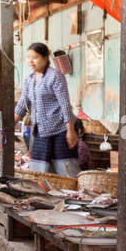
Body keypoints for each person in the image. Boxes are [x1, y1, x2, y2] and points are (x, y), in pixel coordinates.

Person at [14, 42, 78, 176]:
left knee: (65, 171)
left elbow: (65, 105)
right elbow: (22, 105)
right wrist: (8, 125)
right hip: (40, 132)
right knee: (39, 172)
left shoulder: (55, 76)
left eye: (35, 57)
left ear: (45, 58)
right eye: (28, 57)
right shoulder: (29, 80)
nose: (31, 61)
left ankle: (70, 195)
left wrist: (70, 130)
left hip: (60, 131)